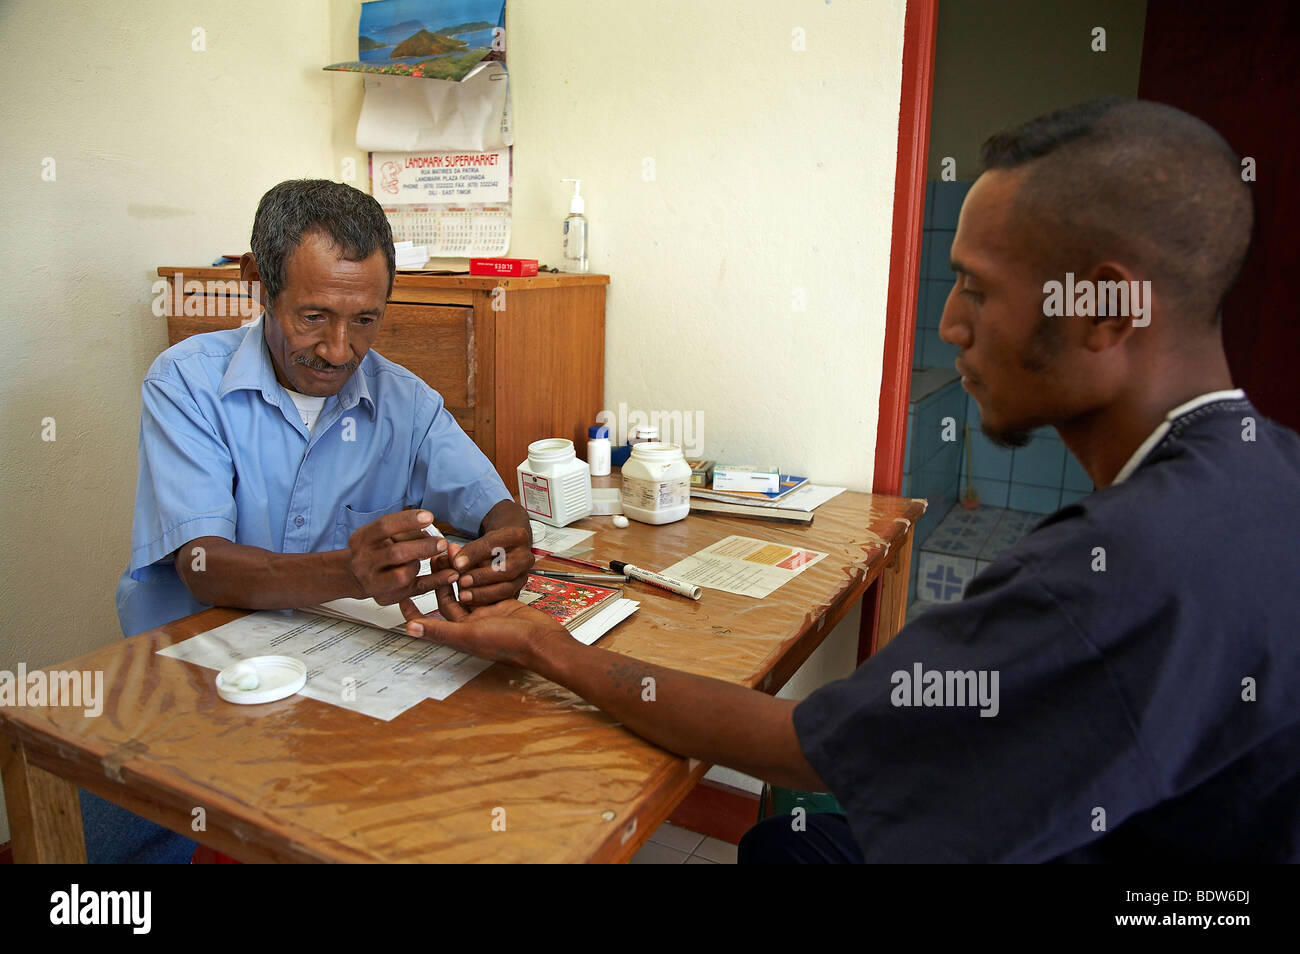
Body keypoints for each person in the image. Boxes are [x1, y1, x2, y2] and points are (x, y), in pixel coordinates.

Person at [400, 99, 1300, 863]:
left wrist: (545, 646)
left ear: (1104, 307)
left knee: (795, 843)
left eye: (977, 290)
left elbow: (801, 746)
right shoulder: (1272, 469)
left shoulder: (1111, 574)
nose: (949, 324)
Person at [93, 179, 533, 863]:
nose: (338, 350)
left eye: (365, 320)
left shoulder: (404, 401)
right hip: (189, 679)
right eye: (312, 317)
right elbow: (202, 567)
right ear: (255, 283)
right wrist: (348, 569)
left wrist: (506, 547)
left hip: (335, 681)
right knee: (119, 851)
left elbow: (496, 509)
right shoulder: (184, 383)